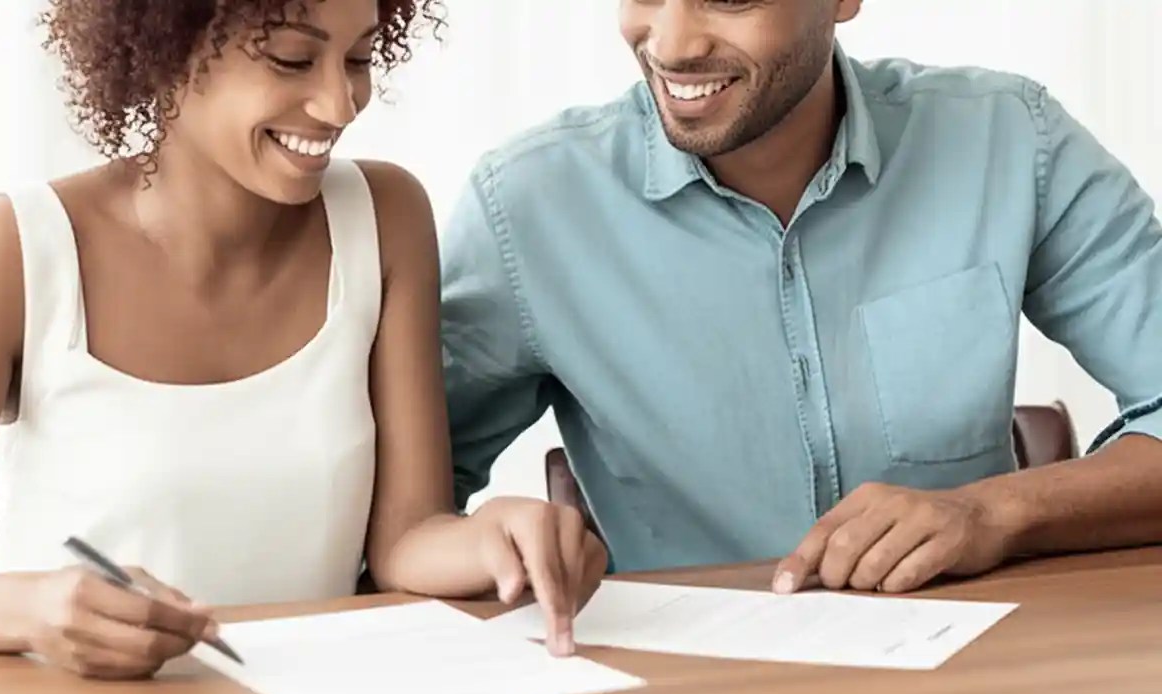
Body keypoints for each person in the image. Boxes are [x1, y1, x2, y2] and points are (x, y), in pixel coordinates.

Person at [0, 0, 606, 680]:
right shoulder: (16, 251)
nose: (339, 105)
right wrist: (28, 608)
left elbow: (404, 542)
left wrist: (497, 537)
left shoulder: (385, 218)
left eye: (358, 58)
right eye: (293, 60)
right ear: (168, 48)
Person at [441, 0, 1162, 596]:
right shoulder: (527, 209)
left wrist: (990, 513)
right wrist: (490, 540)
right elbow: (398, 516)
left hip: (971, 682)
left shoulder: (1010, 140)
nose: (672, 41)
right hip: (692, 692)